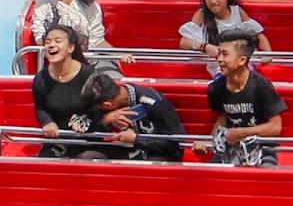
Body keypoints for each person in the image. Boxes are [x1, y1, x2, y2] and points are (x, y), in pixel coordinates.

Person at [199, 30, 286, 167]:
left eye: (225, 54)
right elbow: (224, 116)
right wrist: (209, 141)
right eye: (219, 53)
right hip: (231, 147)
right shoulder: (216, 88)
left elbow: (275, 127)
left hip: (263, 147)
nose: (219, 59)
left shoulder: (261, 86)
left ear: (242, 60)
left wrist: (241, 133)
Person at [30, 23, 103, 159]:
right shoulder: (41, 79)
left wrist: (85, 119)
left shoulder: (89, 75)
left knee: (83, 160)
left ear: (70, 48)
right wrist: (47, 122)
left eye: (58, 41)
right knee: (43, 164)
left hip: (90, 137)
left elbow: (101, 106)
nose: (51, 45)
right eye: (48, 42)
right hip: (60, 138)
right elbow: (41, 108)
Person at [82, 71, 185, 162]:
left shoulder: (153, 103)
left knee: (151, 166)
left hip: (153, 153)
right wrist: (105, 120)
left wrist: (136, 139)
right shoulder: (103, 105)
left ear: (107, 105)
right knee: (88, 157)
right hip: (120, 151)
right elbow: (81, 125)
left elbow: (173, 143)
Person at [179, 0, 272, 61]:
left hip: (239, 63)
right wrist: (206, 47)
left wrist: (267, 54)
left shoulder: (238, 12)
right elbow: (184, 42)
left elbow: (258, 35)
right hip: (217, 64)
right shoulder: (202, 15)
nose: (213, 1)